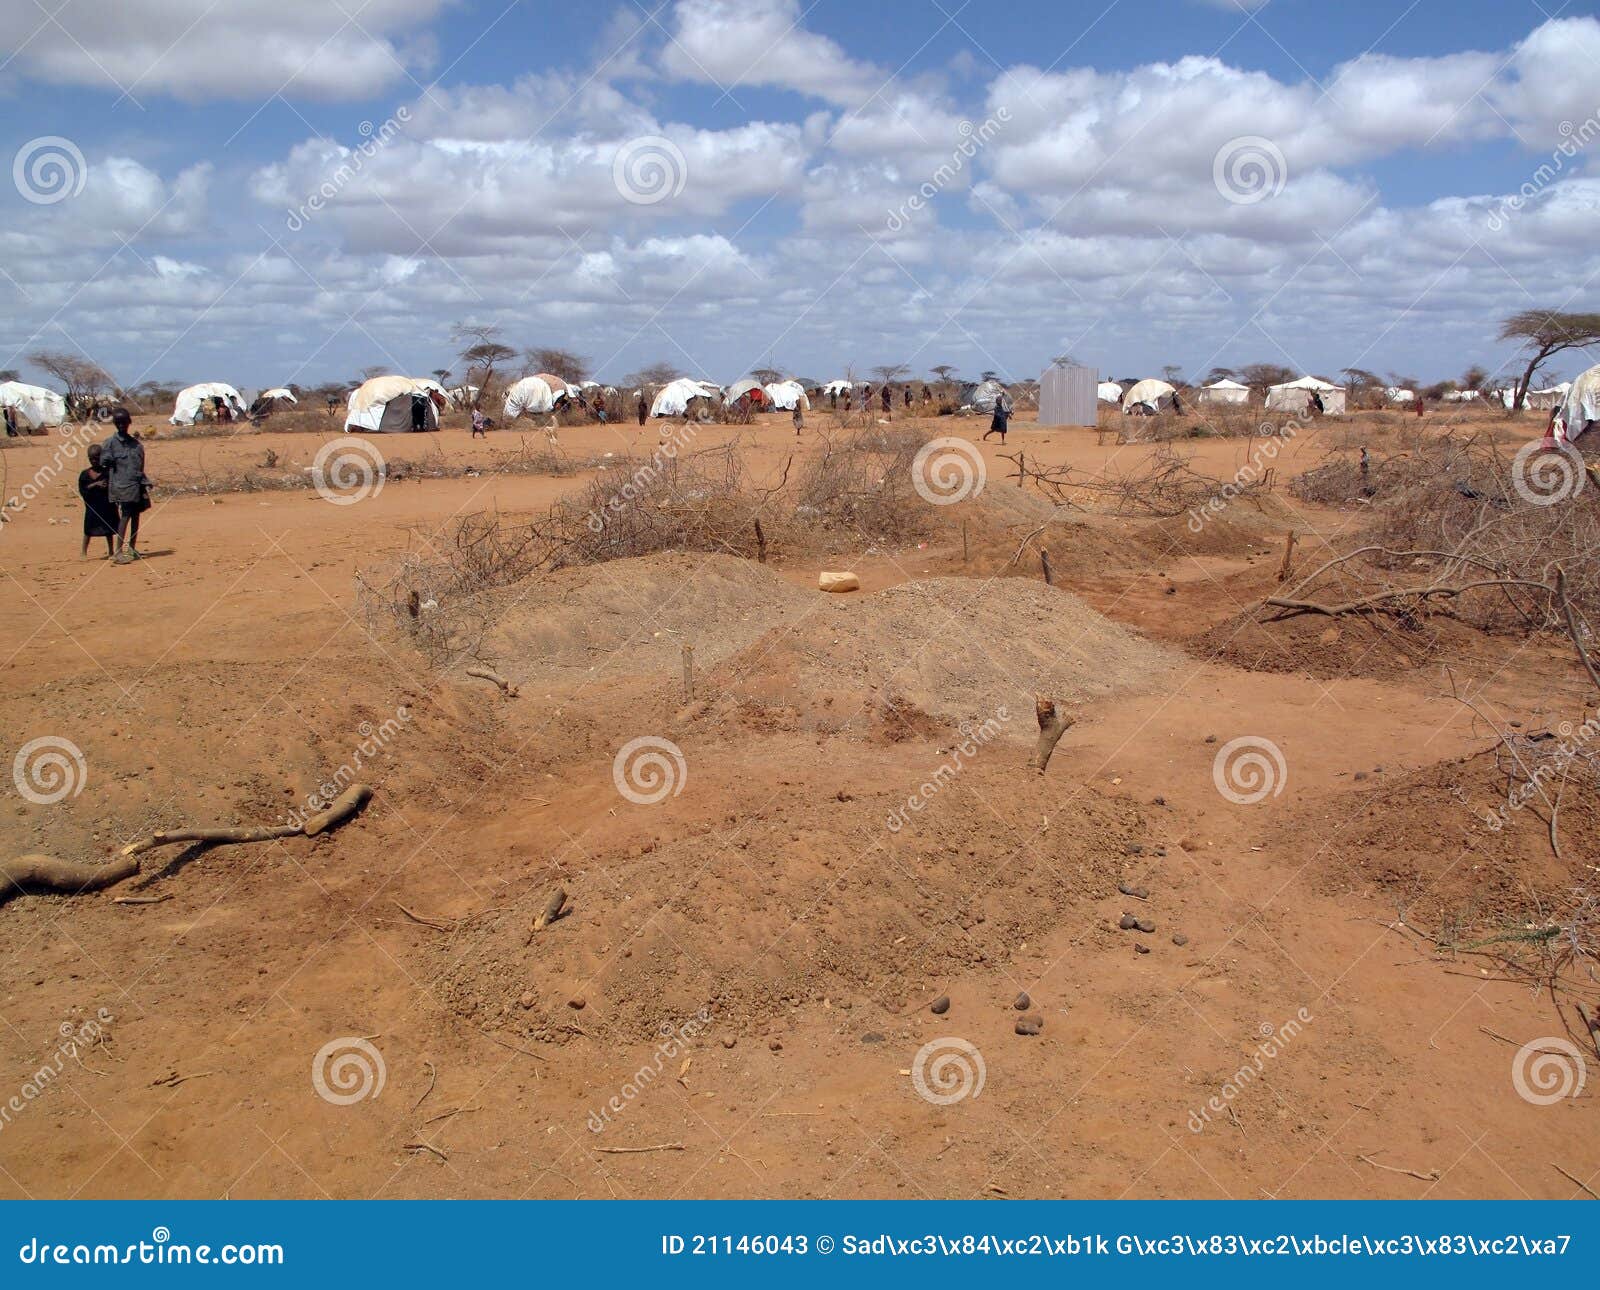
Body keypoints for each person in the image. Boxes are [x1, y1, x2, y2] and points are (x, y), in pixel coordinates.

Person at [100, 409, 148, 563]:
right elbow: (103, 462)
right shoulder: (109, 443)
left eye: (124, 422)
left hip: (136, 486)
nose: (121, 425)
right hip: (121, 486)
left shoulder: (136, 445)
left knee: (136, 516)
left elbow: (140, 467)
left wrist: (144, 484)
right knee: (125, 515)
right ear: (115, 423)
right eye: (118, 422)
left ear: (129, 423)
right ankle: (118, 551)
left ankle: (131, 548)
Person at [78, 443, 117, 559]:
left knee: (108, 530)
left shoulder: (107, 472)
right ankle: (83, 552)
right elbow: (83, 489)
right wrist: (95, 484)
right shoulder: (85, 474)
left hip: (106, 505)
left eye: (96, 458)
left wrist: (107, 486)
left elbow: (114, 486)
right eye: (91, 459)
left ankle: (111, 551)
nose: (94, 461)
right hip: (92, 506)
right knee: (88, 530)